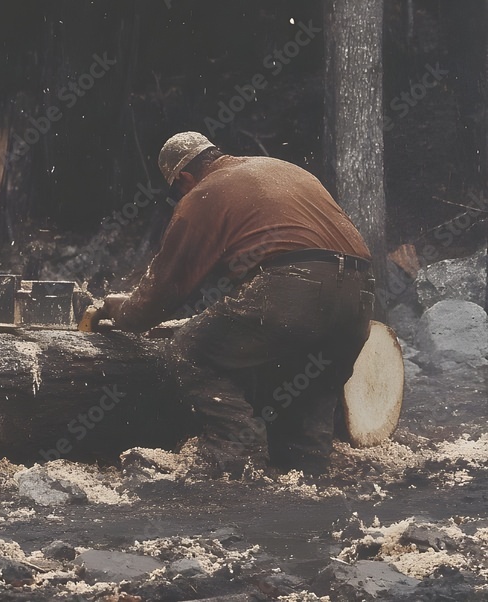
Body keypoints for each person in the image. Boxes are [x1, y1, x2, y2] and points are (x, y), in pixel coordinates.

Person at [100, 132, 375, 476]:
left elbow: (164, 289)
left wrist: (121, 311)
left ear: (184, 177)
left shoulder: (204, 192)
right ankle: (305, 477)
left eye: (178, 189)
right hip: (360, 295)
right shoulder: (281, 169)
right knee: (309, 390)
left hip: (294, 286)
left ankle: (236, 451)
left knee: (190, 350)